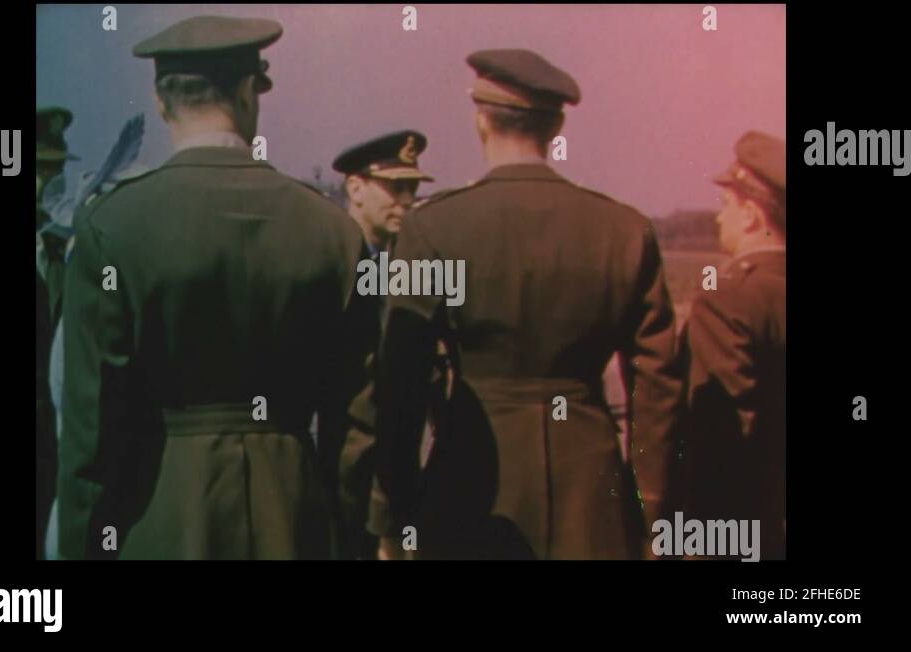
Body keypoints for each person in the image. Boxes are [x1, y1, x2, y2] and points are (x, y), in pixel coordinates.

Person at [57, 15, 363, 559]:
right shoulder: (333, 231)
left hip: (159, 519)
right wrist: (351, 536)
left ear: (159, 101)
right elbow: (357, 423)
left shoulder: (113, 226)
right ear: (249, 92)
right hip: (296, 520)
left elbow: (93, 434)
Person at [372, 49, 683, 559]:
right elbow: (659, 388)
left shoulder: (435, 227)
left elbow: (401, 383)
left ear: (481, 122)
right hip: (593, 497)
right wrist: (652, 510)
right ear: (557, 125)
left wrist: (391, 516)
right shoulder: (624, 231)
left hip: (469, 487)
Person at [680, 131, 786, 560]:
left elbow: (719, 436)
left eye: (727, 206)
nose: (718, 219)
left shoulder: (727, 298)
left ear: (752, 215)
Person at [328, 131, 433, 559]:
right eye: (395, 188)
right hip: (335, 465)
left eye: (412, 189)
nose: (407, 200)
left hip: (386, 470)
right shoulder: (329, 260)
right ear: (355, 188)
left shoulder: (399, 266)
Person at [35, 105, 78, 560]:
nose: (50, 181)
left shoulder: (66, 245)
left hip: (58, 436)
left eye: (56, 168)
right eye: (40, 168)